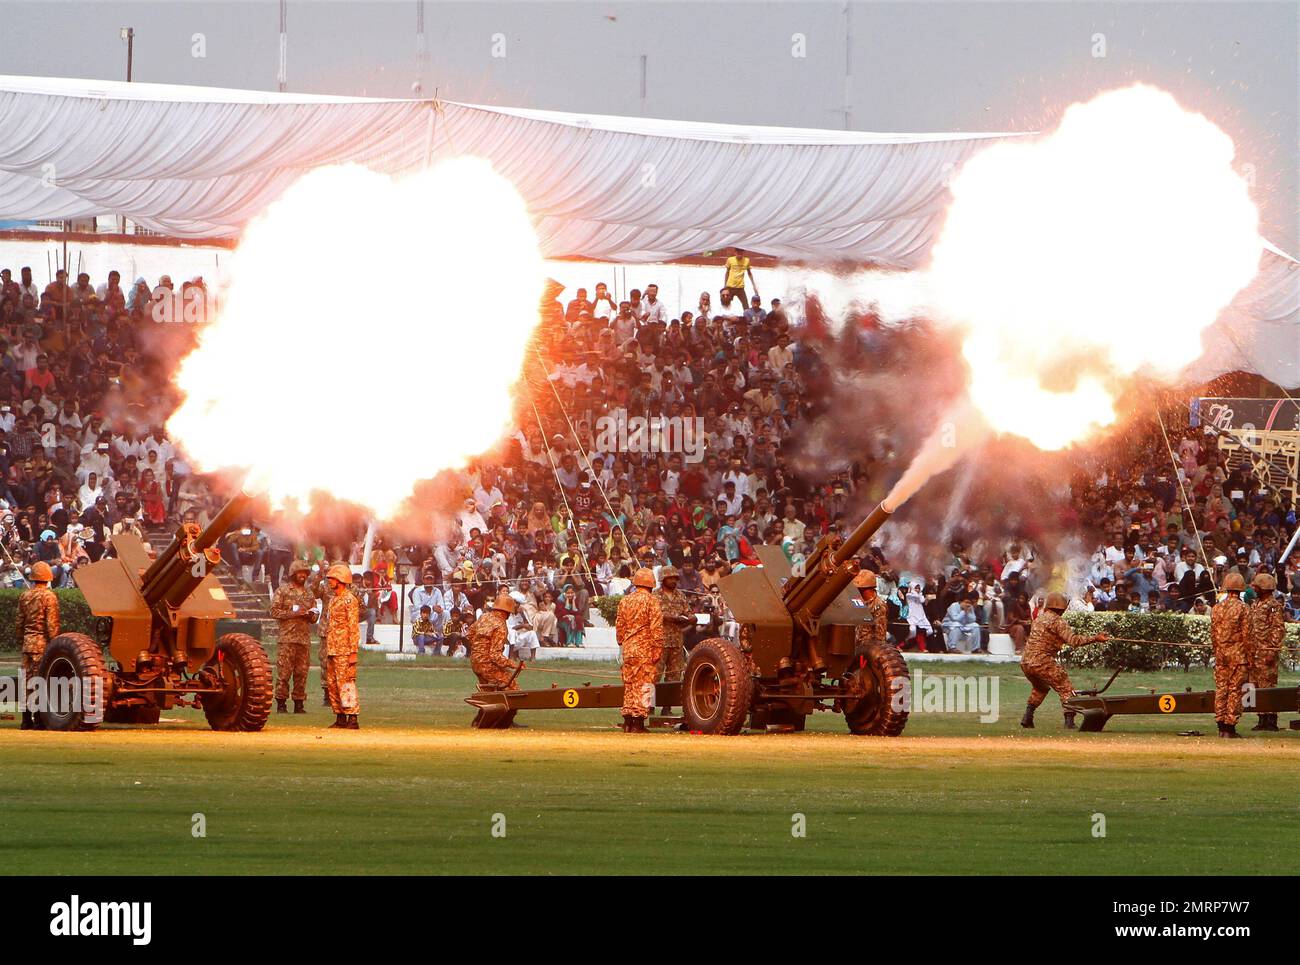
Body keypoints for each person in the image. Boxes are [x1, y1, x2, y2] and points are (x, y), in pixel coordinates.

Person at [1019, 591, 1108, 730]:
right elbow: (1074, 641)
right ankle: (1069, 722)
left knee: (1040, 688)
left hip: (1025, 662)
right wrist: (1095, 638)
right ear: (1062, 608)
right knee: (1065, 687)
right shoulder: (1058, 622)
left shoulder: (1039, 619)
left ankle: (1027, 717)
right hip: (1043, 661)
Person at [616, 568, 664, 733]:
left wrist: (622, 641)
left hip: (629, 649)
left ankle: (628, 722)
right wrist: (657, 648)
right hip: (645, 649)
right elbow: (656, 627)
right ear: (651, 584)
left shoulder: (625, 601)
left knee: (629, 685)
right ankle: (638, 723)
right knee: (644, 685)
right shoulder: (652, 601)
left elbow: (620, 626)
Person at [268, 559, 317, 714]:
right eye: (300, 573)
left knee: (301, 673)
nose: (303, 575)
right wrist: (293, 614)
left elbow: (315, 616)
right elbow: (274, 611)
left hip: (303, 640)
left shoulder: (309, 594)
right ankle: (281, 703)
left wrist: (311, 615)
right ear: (293, 574)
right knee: (284, 672)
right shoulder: (283, 591)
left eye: (305, 573)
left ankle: (299, 704)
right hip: (287, 639)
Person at [17, 561, 58, 730]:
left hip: (27, 644)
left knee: (25, 682)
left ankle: (26, 719)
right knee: (39, 681)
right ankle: (39, 720)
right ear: (48, 578)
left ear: (33, 578)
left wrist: (23, 639)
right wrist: (55, 643)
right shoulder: (50, 597)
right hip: (42, 645)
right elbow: (51, 624)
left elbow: (19, 622)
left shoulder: (24, 596)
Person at [1210, 571, 1251, 739]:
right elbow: (1247, 635)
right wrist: (1251, 657)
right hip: (1238, 657)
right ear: (1241, 589)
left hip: (1221, 656)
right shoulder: (1244, 608)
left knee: (1221, 689)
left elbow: (1213, 634)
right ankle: (1230, 728)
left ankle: (1220, 726)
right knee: (1235, 691)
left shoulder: (1216, 608)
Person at [322, 563, 360, 730]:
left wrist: (353, 651)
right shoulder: (333, 600)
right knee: (332, 683)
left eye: (332, 578)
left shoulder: (349, 600)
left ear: (341, 580)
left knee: (346, 683)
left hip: (344, 649)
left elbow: (353, 627)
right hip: (332, 648)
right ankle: (340, 716)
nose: (330, 581)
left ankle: (352, 717)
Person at [1247, 572, 1284, 731]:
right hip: (1254, 653)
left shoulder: (1274, 605)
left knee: (1268, 686)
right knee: (1255, 686)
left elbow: (1278, 629)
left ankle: (1271, 720)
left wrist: (1272, 650)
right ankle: (1261, 718)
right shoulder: (1255, 604)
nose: (1254, 588)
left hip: (1266, 652)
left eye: (1257, 586)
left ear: (1264, 588)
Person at [469, 591, 521, 699]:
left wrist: (478, 651)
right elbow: (495, 655)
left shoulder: (484, 617)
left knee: (489, 695)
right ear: (508, 611)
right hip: (488, 665)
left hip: (475, 662)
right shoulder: (500, 626)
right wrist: (513, 664)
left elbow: (469, 635)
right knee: (514, 690)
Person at [655, 565, 693, 701]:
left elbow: (688, 612)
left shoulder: (680, 596)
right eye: (670, 578)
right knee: (654, 675)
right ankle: (649, 706)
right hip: (659, 641)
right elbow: (652, 614)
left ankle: (667, 706)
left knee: (674, 676)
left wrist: (692, 618)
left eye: (675, 578)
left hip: (676, 642)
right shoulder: (655, 595)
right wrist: (667, 617)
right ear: (663, 579)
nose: (673, 581)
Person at [852, 570, 888, 666]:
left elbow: (880, 633)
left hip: (868, 650)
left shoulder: (878, 605)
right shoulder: (858, 601)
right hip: (856, 646)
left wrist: (876, 654)